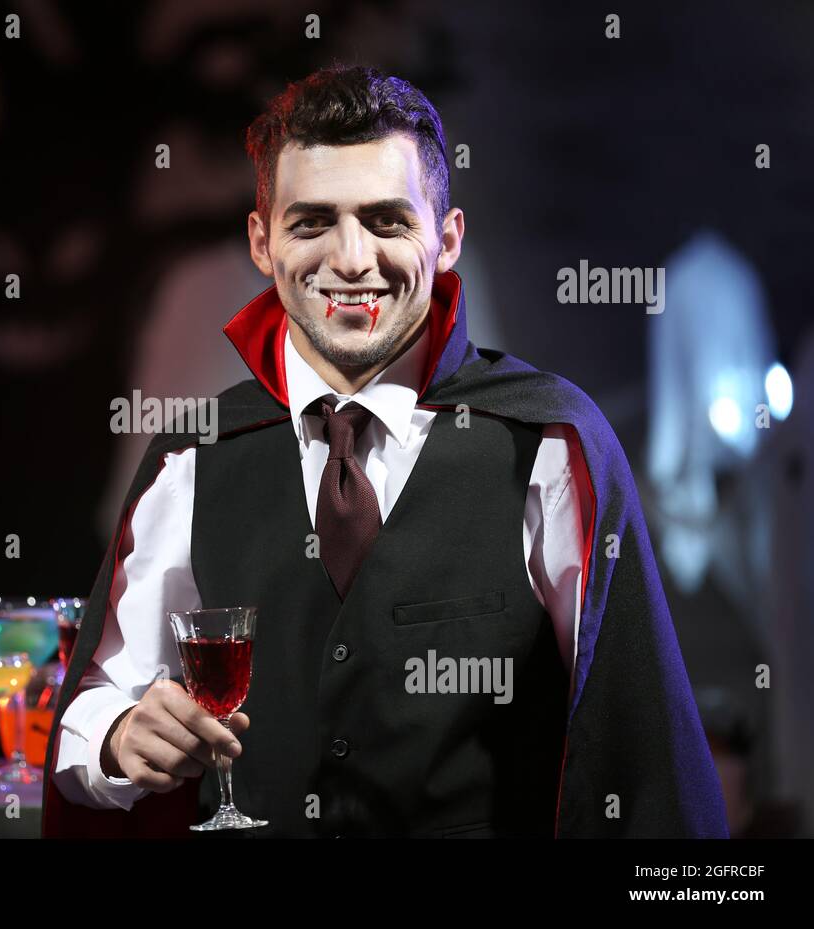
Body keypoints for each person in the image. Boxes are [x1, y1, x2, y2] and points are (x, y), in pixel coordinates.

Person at [41, 66, 728, 838]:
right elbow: (93, 702)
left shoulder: (550, 446)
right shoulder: (192, 455)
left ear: (447, 240)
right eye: (311, 223)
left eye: (387, 220)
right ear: (262, 243)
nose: (352, 258)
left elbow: (643, 764)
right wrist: (116, 734)